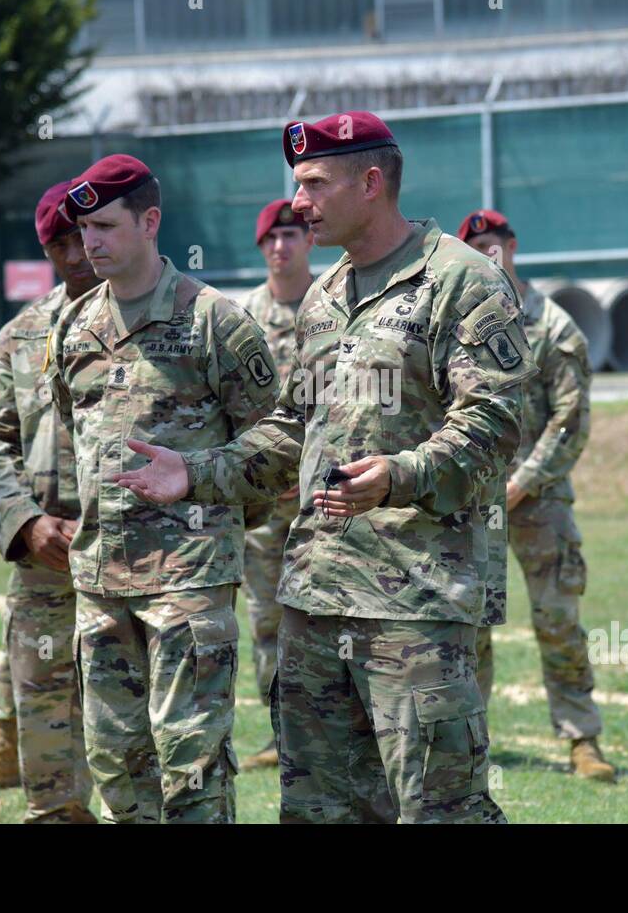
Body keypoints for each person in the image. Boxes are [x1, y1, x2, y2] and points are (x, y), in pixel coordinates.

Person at [114, 111, 535, 823]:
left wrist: (398, 474)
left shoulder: (461, 282)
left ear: (371, 183)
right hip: (312, 602)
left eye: (313, 183)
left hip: (415, 605)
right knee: (317, 811)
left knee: (444, 808)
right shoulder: (323, 297)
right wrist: (198, 472)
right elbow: (292, 432)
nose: (299, 203)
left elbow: (492, 427)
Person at [44, 154, 280, 823]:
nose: (91, 242)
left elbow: (276, 446)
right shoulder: (74, 329)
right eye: (84, 227)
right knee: (117, 765)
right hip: (100, 584)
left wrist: (207, 505)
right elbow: (76, 439)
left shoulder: (215, 324)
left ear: (150, 222)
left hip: (189, 582)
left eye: (107, 226)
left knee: (192, 767)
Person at [0, 180, 101, 822]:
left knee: (137, 732)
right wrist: (25, 523)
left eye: (84, 236)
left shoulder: (153, 319)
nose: (77, 253)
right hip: (43, 562)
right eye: (60, 242)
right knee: (46, 738)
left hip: (137, 560)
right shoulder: (20, 335)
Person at [460, 208, 616, 784]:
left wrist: (524, 481)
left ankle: (582, 739)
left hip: (540, 502)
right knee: (469, 624)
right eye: (474, 246)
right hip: (474, 502)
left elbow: (571, 420)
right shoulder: (461, 323)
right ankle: (467, 741)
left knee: (558, 619)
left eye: (493, 243)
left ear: (512, 246)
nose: (486, 253)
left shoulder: (552, 326)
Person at [236, 198, 314, 770]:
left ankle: (335, 736)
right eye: (272, 238)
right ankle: (281, 733)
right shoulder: (241, 320)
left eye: (292, 234)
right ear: (261, 248)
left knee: (328, 617)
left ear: (308, 240)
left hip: (326, 497)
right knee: (266, 620)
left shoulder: (335, 306)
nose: (282, 246)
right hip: (263, 503)